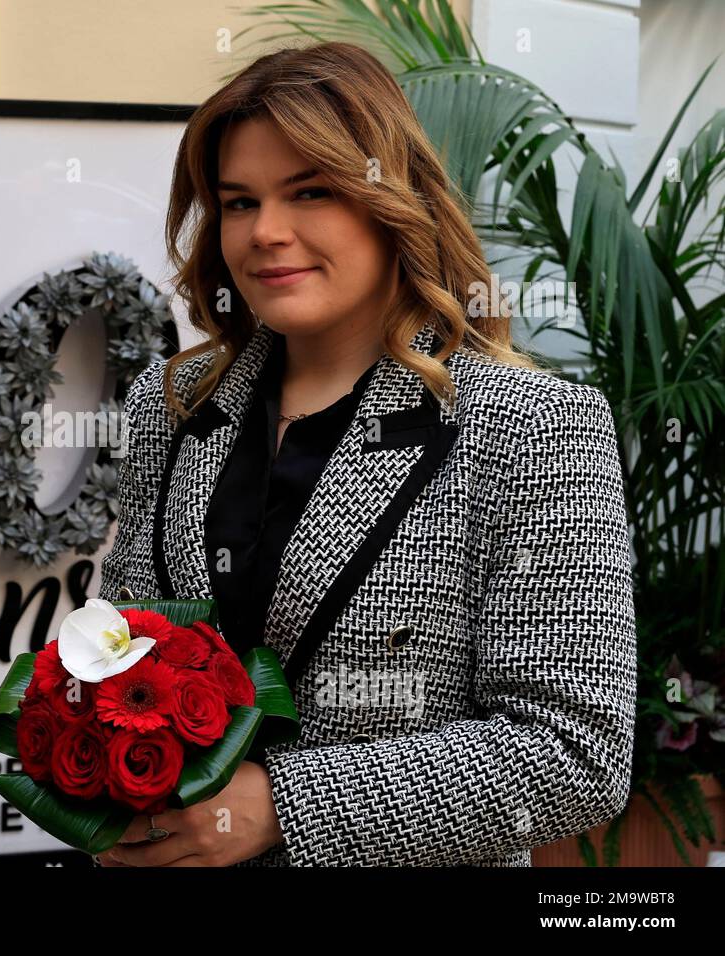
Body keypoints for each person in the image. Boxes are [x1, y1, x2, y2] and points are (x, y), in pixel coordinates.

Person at [94, 42, 637, 866]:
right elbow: (114, 651)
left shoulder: (532, 426)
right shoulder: (172, 404)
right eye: (238, 202)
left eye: (310, 191)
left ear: (392, 201)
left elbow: (573, 753)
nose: (266, 232)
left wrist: (283, 807)